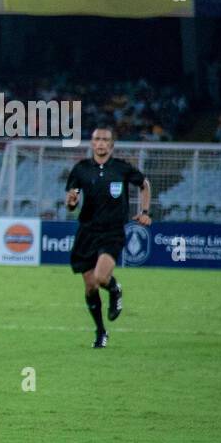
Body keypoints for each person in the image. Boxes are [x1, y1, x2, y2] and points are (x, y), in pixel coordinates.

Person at [66, 126, 151, 348]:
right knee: (90, 287)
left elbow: (145, 185)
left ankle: (115, 289)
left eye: (105, 139)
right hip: (86, 232)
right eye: (97, 139)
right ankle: (101, 331)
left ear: (112, 144)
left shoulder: (121, 168)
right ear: (92, 143)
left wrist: (145, 212)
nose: (101, 143)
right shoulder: (81, 169)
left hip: (112, 231)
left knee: (102, 278)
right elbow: (71, 198)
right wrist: (71, 202)